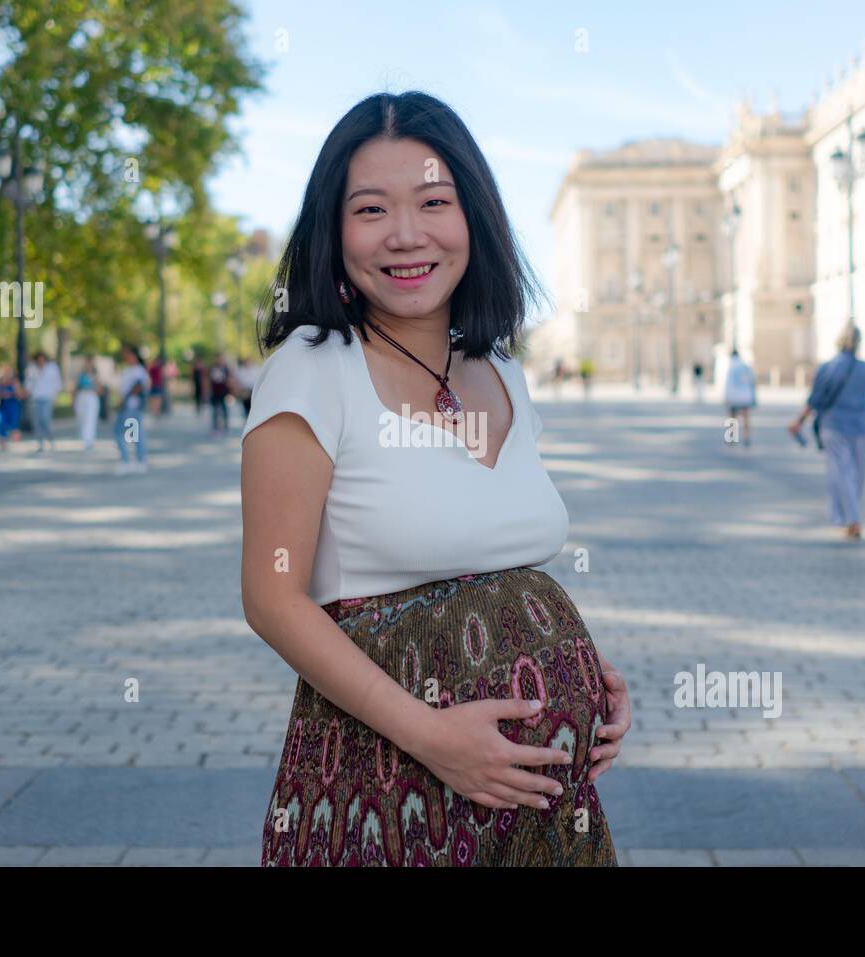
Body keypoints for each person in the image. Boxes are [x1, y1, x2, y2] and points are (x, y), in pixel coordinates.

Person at [240, 91, 629, 867]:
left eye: (433, 201)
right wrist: (434, 738)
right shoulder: (313, 370)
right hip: (389, 784)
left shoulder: (505, 373)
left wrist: (590, 676)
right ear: (333, 228)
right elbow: (272, 597)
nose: (407, 234)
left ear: (473, 217)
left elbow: (494, 552)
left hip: (539, 803)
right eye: (372, 209)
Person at [788, 325, 865, 539]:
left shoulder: (826, 367)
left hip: (833, 426)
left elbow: (814, 400)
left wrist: (799, 421)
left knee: (841, 472)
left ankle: (848, 518)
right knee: (857, 474)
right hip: (860, 427)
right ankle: (849, 516)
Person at [115, 344, 149, 474]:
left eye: (127, 354)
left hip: (132, 406)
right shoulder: (129, 370)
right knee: (133, 434)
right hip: (128, 406)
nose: (125, 356)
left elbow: (139, 386)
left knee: (123, 433)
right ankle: (137, 461)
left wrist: (126, 399)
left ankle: (129, 461)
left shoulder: (138, 370)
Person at [27, 351, 63, 453]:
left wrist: (56, 397)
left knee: (45, 420)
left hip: (48, 397)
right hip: (36, 397)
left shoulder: (52, 367)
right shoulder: (32, 368)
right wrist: (27, 392)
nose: (40, 361)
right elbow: (29, 383)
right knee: (37, 421)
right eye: (38, 359)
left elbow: (57, 382)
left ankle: (50, 438)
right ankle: (40, 443)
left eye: (42, 359)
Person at [724, 350, 757, 447]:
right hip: (746, 395)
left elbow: (728, 384)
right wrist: (754, 397)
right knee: (746, 417)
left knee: (732, 417)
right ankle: (746, 437)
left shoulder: (730, 366)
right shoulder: (746, 366)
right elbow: (752, 382)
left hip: (733, 395)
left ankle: (732, 437)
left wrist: (726, 397)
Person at [73, 356, 102, 450]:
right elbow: (76, 388)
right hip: (81, 397)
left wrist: (95, 386)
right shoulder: (81, 374)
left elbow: (100, 390)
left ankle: (89, 440)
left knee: (90, 419)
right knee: (82, 418)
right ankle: (85, 438)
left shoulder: (96, 375)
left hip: (91, 397)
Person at [0, 365, 23, 451]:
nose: (6, 374)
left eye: (8, 373)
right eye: (5, 372)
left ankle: (16, 438)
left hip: (12, 405)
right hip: (2, 405)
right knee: (0, 422)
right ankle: (3, 442)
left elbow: (20, 395)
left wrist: (12, 393)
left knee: (13, 423)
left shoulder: (14, 382)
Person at [209, 352, 232, 433]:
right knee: (215, 410)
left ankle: (226, 426)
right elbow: (209, 380)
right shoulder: (212, 368)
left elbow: (229, 380)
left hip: (223, 392)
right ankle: (215, 427)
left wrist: (230, 391)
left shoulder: (225, 369)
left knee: (225, 409)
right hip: (215, 393)